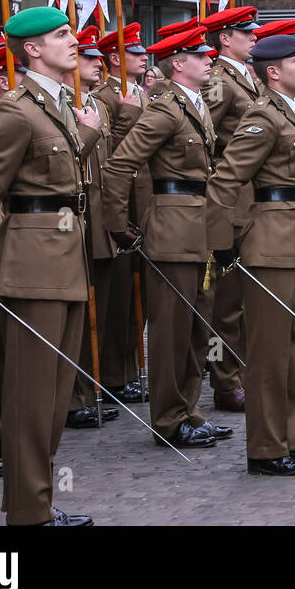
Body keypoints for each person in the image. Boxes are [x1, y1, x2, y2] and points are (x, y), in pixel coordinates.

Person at [0, 6, 101, 526]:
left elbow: (53, 171)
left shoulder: (56, 106)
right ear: (32, 49)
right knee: (31, 400)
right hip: (32, 266)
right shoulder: (15, 112)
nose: (73, 40)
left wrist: (91, 134)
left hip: (64, 261)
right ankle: (27, 511)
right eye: (61, 35)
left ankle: (35, 501)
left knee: (56, 396)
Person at [207, 33, 295, 476]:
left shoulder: (293, 113)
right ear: (273, 72)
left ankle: (290, 441)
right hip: (271, 246)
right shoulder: (263, 117)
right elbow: (224, 181)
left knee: (293, 350)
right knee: (268, 354)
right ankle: (265, 449)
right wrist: (222, 245)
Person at [103, 24, 232, 450]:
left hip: (198, 228)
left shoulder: (192, 104)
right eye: (201, 54)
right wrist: (117, 225)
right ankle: (168, 419)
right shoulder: (164, 109)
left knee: (198, 328)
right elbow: (120, 166)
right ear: (179, 64)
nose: (210, 58)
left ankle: (189, 412)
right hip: (173, 228)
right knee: (172, 330)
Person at [199, 5, 263, 414]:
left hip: (252, 197)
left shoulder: (245, 75)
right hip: (233, 198)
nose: (253, 37)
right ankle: (225, 382)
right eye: (245, 33)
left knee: (245, 299)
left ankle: (240, 371)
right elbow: (205, 137)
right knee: (227, 303)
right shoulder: (220, 81)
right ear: (225, 38)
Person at [63, 25, 124, 429]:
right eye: (88, 57)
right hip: (70, 222)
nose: (97, 63)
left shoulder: (96, 104)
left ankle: (95, 385)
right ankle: (78, 393)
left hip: (97, 219)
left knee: (103, 312)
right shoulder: (66, 105)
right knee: (79, 317)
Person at [92, 23, 149, 403]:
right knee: (115, 302)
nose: (144, 56)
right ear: (116, 59)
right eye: (135, 52)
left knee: (134, 299)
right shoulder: (106, 98)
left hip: (143, 204)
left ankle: (128, 368)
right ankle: (114, 373)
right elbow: (114, 158)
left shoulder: (140, 93)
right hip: (121, 206)